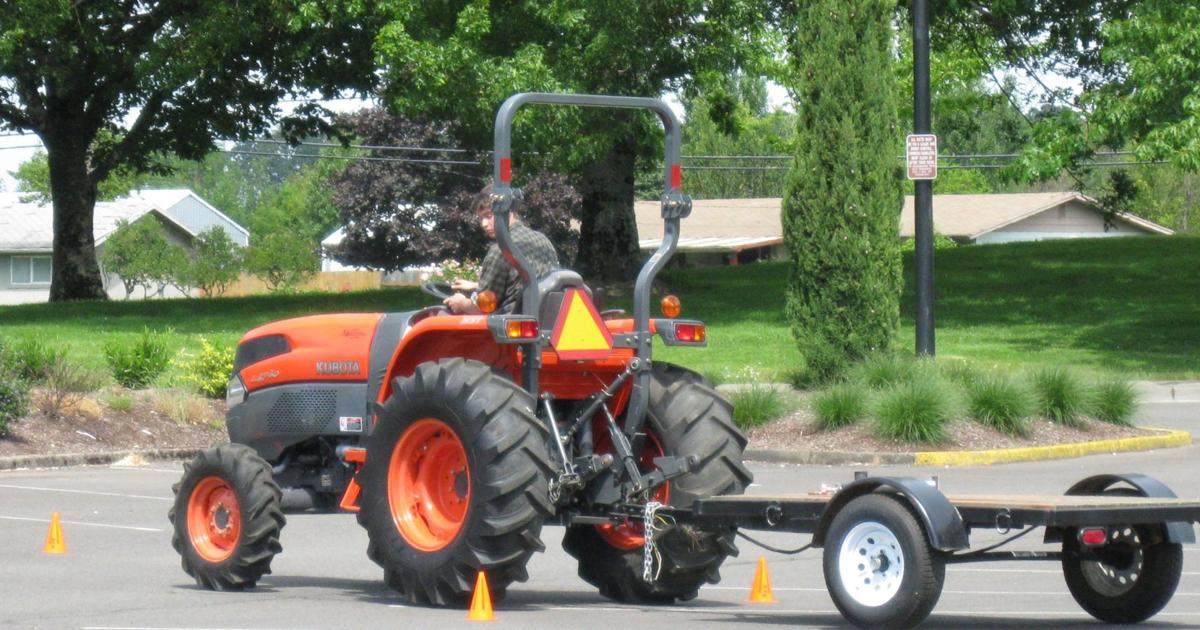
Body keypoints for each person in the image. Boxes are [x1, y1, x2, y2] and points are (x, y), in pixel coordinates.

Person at [444, 184, 559, 315]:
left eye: (488, 216)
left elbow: (482, 308)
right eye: (481, 218)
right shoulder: (543, 241)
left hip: (509, 323)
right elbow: (526, 282)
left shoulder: (501, 250)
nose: (484, 224)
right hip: (544, 320)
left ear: (506, 211)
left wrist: (461, 303)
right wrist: (476, 286)